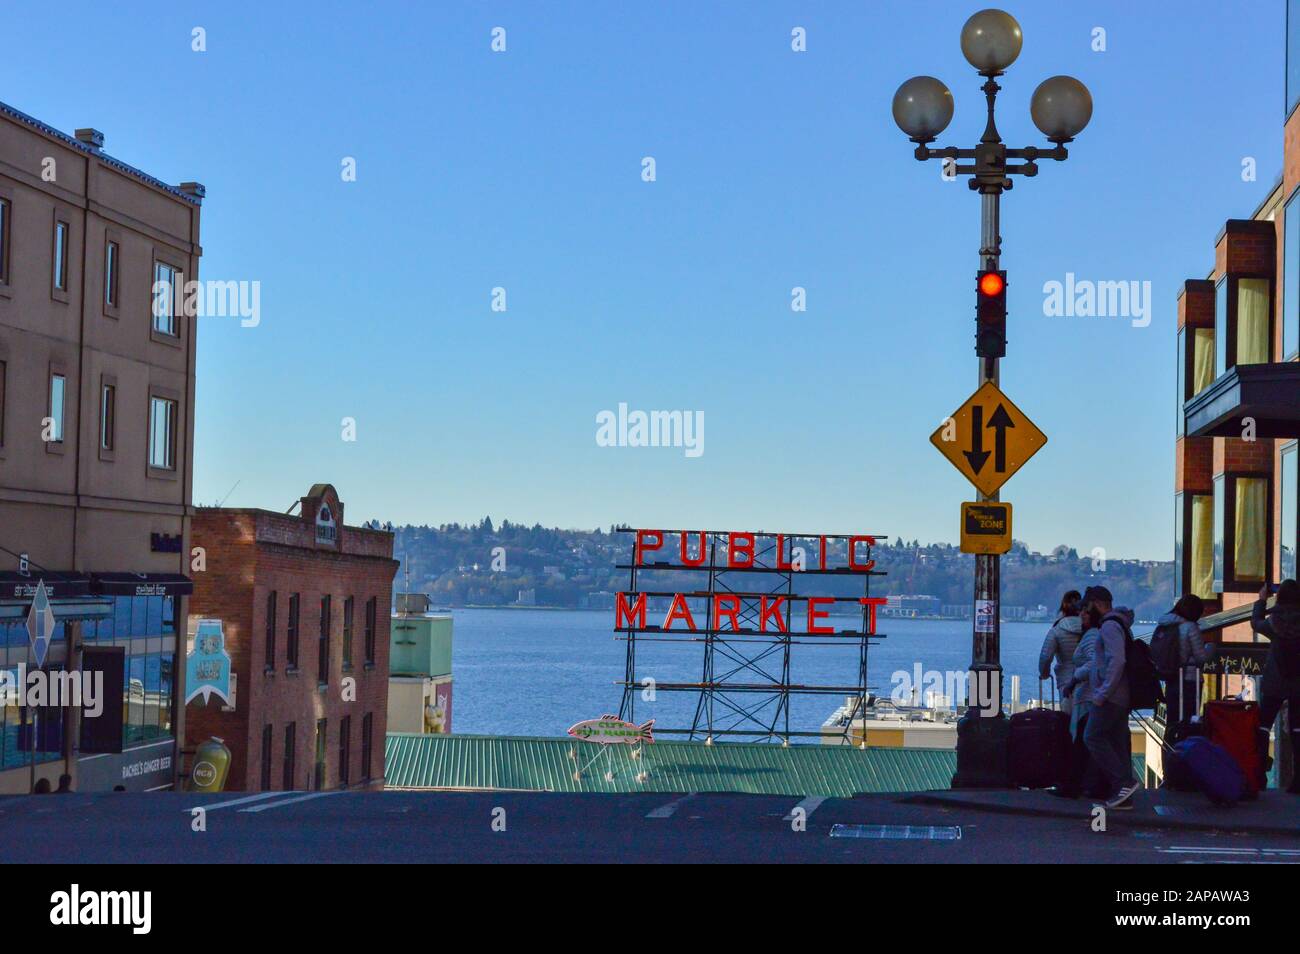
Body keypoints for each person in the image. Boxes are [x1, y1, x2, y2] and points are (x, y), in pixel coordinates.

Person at [1078, 585, 1140, 810]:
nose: (1085, 611)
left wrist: (1102, 693)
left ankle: (1123, 783)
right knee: (1116, 742)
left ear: (1098, 604)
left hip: (1111, 696)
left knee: (1092, 736)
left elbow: (1117, 661)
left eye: (1088, 606)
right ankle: (1123, 796)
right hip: (1119, 695)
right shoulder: (1120, 624)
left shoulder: (1109, 626)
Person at [1251, 580, 1300, 794]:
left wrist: (1261, 600)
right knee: (1298, 729)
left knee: (1262, 726)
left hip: (1274, 679)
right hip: (1298, 681)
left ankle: (1258, 774)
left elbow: (1256, 623)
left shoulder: (1274, 621)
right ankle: (1298, 781)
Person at [1058, 602, 1103, 798]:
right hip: (1089, 695)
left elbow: (1094, 662)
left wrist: (1075, 678)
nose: (1081, 615)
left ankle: (1076, 785)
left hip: (1087, 695)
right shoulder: (1093, 634)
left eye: (1085, 611)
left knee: (1083, 740)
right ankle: (1083, 784)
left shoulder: (1092, 635)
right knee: (1086, 740)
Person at [1156, 594, 1211, 725]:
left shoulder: (1164, 624)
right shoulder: (1190, 627)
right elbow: (1201, 657)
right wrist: (1210, 648)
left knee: (1173, 719)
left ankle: (1171, 744)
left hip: (1170, 678)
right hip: (1189, 680)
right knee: (1189, 720)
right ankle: (1186, 744)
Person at [1039, 590, 1084, 717]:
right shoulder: (1090, 629)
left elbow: (1045, 656)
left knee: (1067, 719)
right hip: (1088, 680)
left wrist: (1044, 673)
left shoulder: (1057, 630)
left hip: (1065, 680)